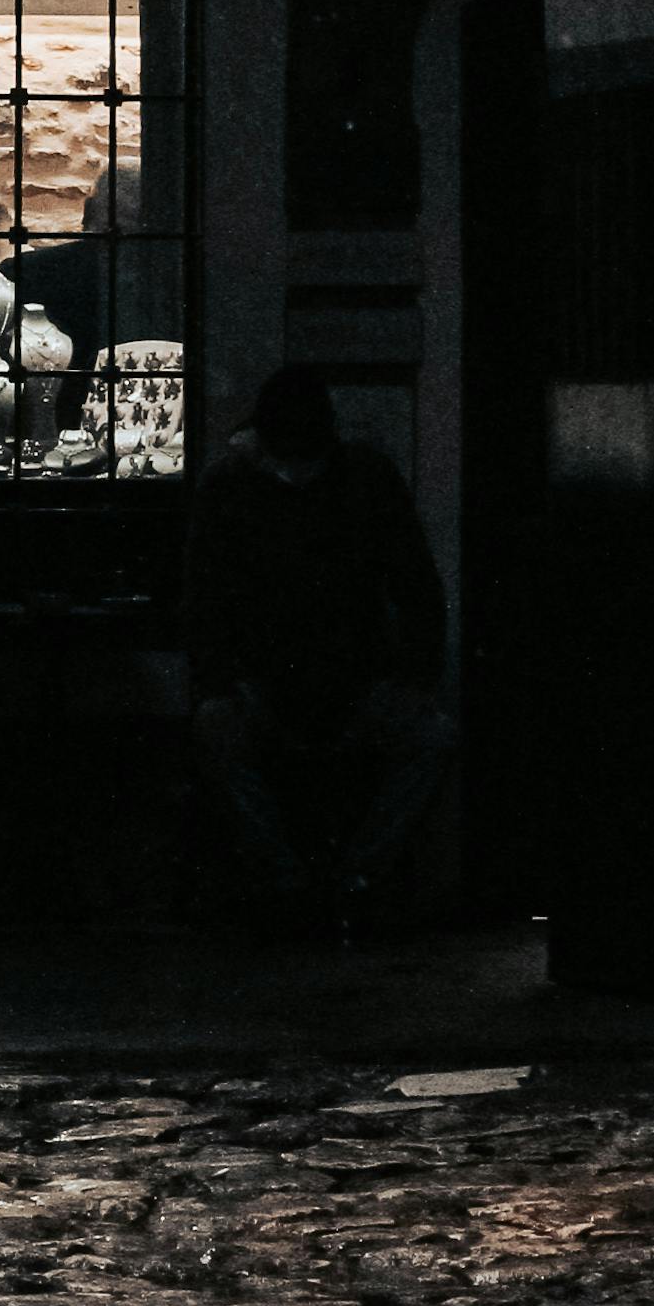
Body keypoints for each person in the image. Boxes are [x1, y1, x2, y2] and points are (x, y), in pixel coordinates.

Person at [182, 365, 450, 935]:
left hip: (327, 683)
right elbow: (416, 586)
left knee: (221, 738)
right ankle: (345, 879)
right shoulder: (355, 479)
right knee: (428, 738)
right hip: (306, 683)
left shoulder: (238, 485)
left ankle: (301, 882)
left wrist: (413, 676)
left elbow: (205, 600)